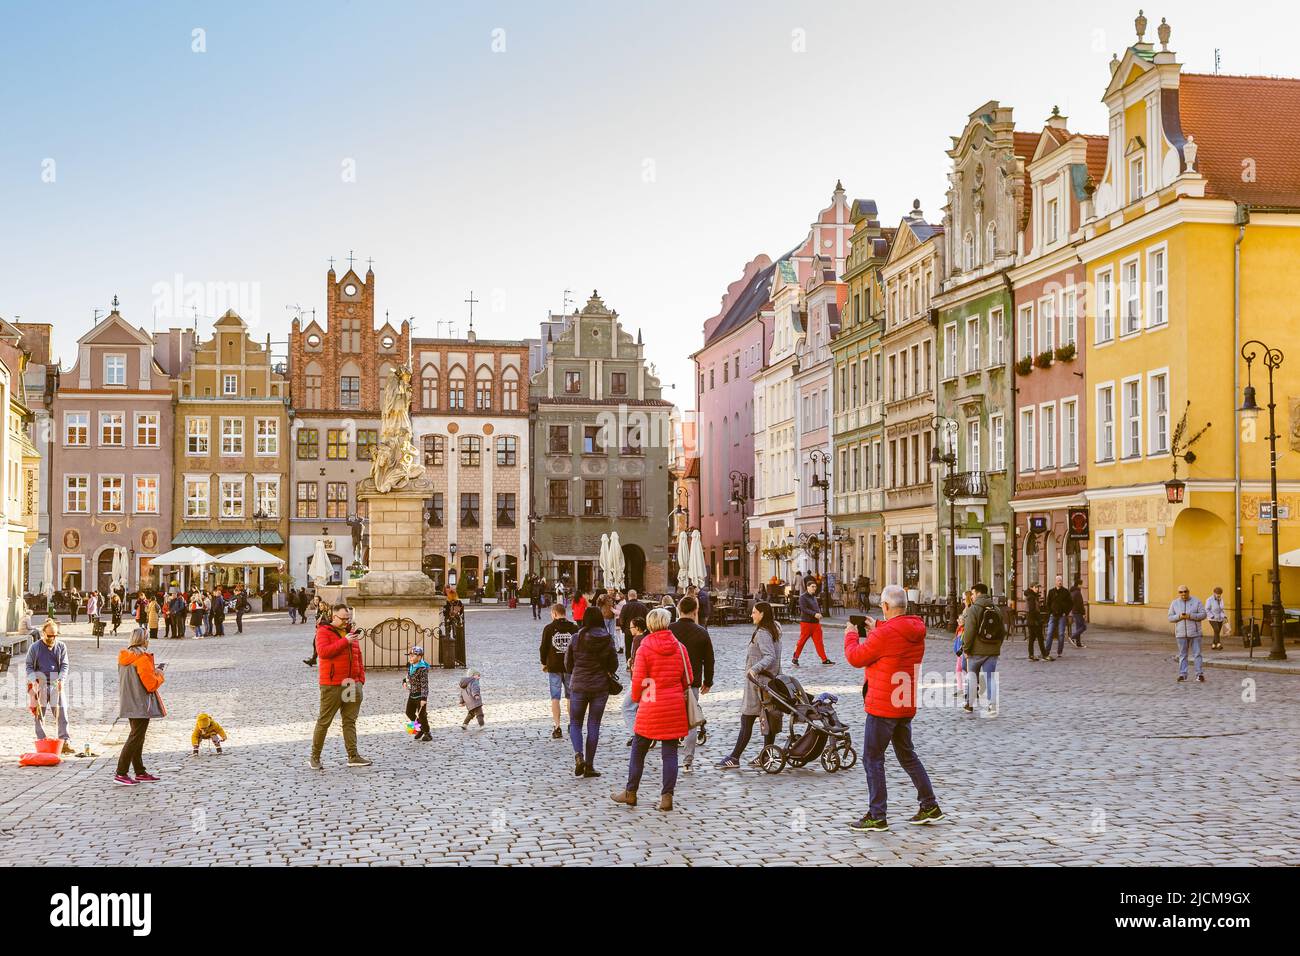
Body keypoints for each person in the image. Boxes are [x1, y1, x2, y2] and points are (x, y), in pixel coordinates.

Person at [843, 584, 943, 832]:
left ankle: (877, 814)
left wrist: (850, 635)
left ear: (886, 606)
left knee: (872, 758)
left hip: (883, 706)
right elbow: (894, 637)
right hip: (903, 702)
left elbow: (856, 657)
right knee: (907, 756)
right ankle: (929, 805)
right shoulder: (914, 628)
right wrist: (876, 626)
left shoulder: (884, 634)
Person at [612, 607, 691, 812]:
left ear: (649, 624)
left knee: (638, 751)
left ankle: (631, 792)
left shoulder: (645, 647)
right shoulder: (680, 647)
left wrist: (639, 698)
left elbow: (639, 681)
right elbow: (688, 679)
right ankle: (667, 797)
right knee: (670, 754)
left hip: (651, 705)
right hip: (674, 706)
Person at [717, 601, 782, 770]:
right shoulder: (774, 629)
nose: (751, 615)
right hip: (769, 682)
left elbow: (770, 656)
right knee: (768, 720)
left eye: (754, 612)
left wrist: (753, 669)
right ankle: (765, 755)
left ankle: (735, 757)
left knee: (747, 718)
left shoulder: (763, 633)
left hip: (758, 683)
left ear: (762, 614)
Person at [308, 603, 372, 769]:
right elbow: (323, 652)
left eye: (348, 618)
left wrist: (360, 680)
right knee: (324, 721)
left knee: (349, 721)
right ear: (333, 616)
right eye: (343, 619)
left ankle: (353, 756)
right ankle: (314, 757)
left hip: (351, 683)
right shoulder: (323, 631)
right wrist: (344, 641)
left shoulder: (351, 633)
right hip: (332, 684)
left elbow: (358, 657)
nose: (346, 621)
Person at [563, 605, 618, 779]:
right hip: (600, 687)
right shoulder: (607, 638)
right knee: (593, 725)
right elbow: (614, 664)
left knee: (575, 723)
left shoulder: (576, 638)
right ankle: (589, 765)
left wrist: (577, 671)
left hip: (579, 685)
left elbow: (568, 664)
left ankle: (579, 755)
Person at [115, 627, 166, 786]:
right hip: (141, 703)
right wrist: (159, 674)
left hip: (129, 701)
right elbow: (150, 685)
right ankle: (121, 772)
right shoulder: (142, 658)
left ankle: (140, 771)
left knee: (138, 737)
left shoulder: (124, 657)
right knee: (135, 737)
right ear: (144, 640)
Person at [670, 594, 714, 774]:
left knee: (671, 722)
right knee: (690, 723)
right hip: (691, 683)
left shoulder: (669, 630)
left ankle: (670, 757)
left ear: (679, 610)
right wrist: (708, 681)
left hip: (670, 683)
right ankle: (688, 761)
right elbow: (709, 660)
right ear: (695, 611)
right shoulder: (702, 632)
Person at [26, 619, 75, 755]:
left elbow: (64, 665)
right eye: (49, 636)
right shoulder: (35, 647)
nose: (52, 638)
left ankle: (64, 741)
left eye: (55, 635)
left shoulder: (61, 646)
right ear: (43, 634)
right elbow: (29, 665)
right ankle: (42, 740)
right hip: (39, 683)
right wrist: (33, 680)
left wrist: (61, 679)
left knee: (62, 713)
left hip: (55, 683)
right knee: (39, 714)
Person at [961, 582, 1004, 715]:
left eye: (973, 594)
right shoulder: (996, 609)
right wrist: (996, 646)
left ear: (978, 593)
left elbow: (969, 632)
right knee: (990, 678)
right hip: (992, 651)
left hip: (976, 651)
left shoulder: (973, 609)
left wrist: (966, 649)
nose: (972, 597)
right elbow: (1002, 631)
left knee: (972, 675)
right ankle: (992, 705)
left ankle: (969, 704)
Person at [539, 603, 578, 740]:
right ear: (564, 613)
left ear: (554, 614)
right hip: (570, 667)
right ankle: (572, 724)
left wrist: (544, 662)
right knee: (570, 696)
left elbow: (543, 647)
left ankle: (557, 726)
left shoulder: (549, 629)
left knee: (555, 697)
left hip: (554, 666)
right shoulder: (574, 628)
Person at [1168, 585, 1207, 683]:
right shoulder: (1174, 603)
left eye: (1185, 591)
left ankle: (1199, 674)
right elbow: (1170, 618)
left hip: (1195, 633)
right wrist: (1179, 616)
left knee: (1197, 654)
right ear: (1178, 593)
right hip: (1181, 634)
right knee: (1182, 655)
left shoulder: (1196, 601)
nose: (1183, 594)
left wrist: (1191, 616)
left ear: (1188, 592)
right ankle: (1182, 674)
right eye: (1181, 592)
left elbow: (1203, 614)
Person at [620, 616, 649, 747]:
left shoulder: (638, 639)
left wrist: (632, 663)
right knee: (639, 707)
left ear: (637, 628)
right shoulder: (646, 638)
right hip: (646, 680)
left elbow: (637, 659)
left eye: (631, 627)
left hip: (638, 679)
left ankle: (636, 734)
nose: (629, 630)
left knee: (627, 707)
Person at [793, 579, 834, 666]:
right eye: (812, 587)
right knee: (802, 641)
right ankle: (795, 658)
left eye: (815, 587)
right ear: (807, 587)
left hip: (816, 624)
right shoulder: (802, 597)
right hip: (806, 623)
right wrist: (814, 614)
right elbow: (804, 609)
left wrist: (819, 614)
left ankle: (824, 659)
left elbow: (816, 608)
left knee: (819, 642)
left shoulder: (814, 597)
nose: (814, 588)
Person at [403, 646, 432, 742]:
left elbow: (424, 684)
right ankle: (420, 728)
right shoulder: (410, 665)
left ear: (419, 657)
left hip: (420, 696)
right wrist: (404, 681)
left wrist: (424, 698)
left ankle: (427, 732)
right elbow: (408, 675)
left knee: (422, 715)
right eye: (409, 656)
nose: (410, 658)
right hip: (412, 694)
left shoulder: (422, 669)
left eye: (413, 656)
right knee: (409, 712)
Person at [616, 589, 649, 657]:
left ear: (628, 596)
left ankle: (628, 664)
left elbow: (621, 619)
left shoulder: (626, 607)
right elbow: (647, 618)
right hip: (640, 631)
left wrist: (624, 629)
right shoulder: (642, 606)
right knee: (639, 648)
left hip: (628, 630)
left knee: (628, 649)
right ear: (636, 596)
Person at [1045, 575, 1072, 656]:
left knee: (1061, 634)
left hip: (1062, 616)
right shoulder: (1051, 591)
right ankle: (1047, 651)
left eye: (1061, 580)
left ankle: (1059, 651)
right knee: (1049, 633)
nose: (1060, 582)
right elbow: (1048, 604)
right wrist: (1050, 612)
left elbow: (1071, 603)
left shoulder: (1066, 592)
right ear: (1055, 582)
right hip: (1053, 615)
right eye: (1058, 580)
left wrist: (1066, 612)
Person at [1024, 583, 1048, 661]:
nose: (1037, 589)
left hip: (1031, 621)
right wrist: (1037, 620)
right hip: (1034, 621)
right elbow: (1032, 610)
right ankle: (1044, 655)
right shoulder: (1031, 597)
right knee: (1040, 638)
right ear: (1031, 588)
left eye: (1038, 587)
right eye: (1036, 587)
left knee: (1032, 638)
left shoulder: (1032, 596)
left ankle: (1031, 655)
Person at [1069, 578, 1088, 648]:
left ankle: (1078, 643)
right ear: (1079, 585)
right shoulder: (1078, 592)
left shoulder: (1072, 592)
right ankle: (1072, 637)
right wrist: (1083, 613)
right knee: (1083, 627)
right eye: (1081, 584)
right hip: (1078, 612)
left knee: (1078, 628)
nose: (1082, 586)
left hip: (1074, 611)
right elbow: (1080, 604)